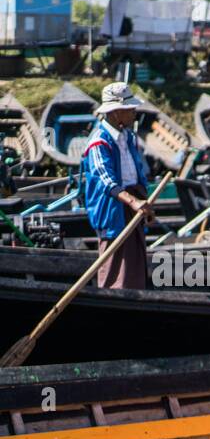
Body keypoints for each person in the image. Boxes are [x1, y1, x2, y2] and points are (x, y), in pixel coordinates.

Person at [80, 82, 152, 291]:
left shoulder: (128, 137)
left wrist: (143, 203)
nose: (134, 113)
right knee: (115, 265)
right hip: (114, 211)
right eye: (130, 110)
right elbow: (107, 182)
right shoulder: (99, 142)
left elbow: (135, 173)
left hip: (131, 207)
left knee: (135, 264)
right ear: (117, 112)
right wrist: (134, 202)